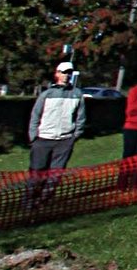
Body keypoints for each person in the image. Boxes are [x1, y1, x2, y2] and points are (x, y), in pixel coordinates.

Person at [23, 59, 89, 217]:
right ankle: (29, 201)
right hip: (43, 139)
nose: (66, 76)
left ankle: (44, 202)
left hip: (64, 141)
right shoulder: (46, 94)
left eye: (69, 73)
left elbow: (80, 118)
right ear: (57, 74)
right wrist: (33, 137)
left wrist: (74, 137)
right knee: (37, 172)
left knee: (55, 175)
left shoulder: (77, 94)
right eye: (64, 72)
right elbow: (35, 116)